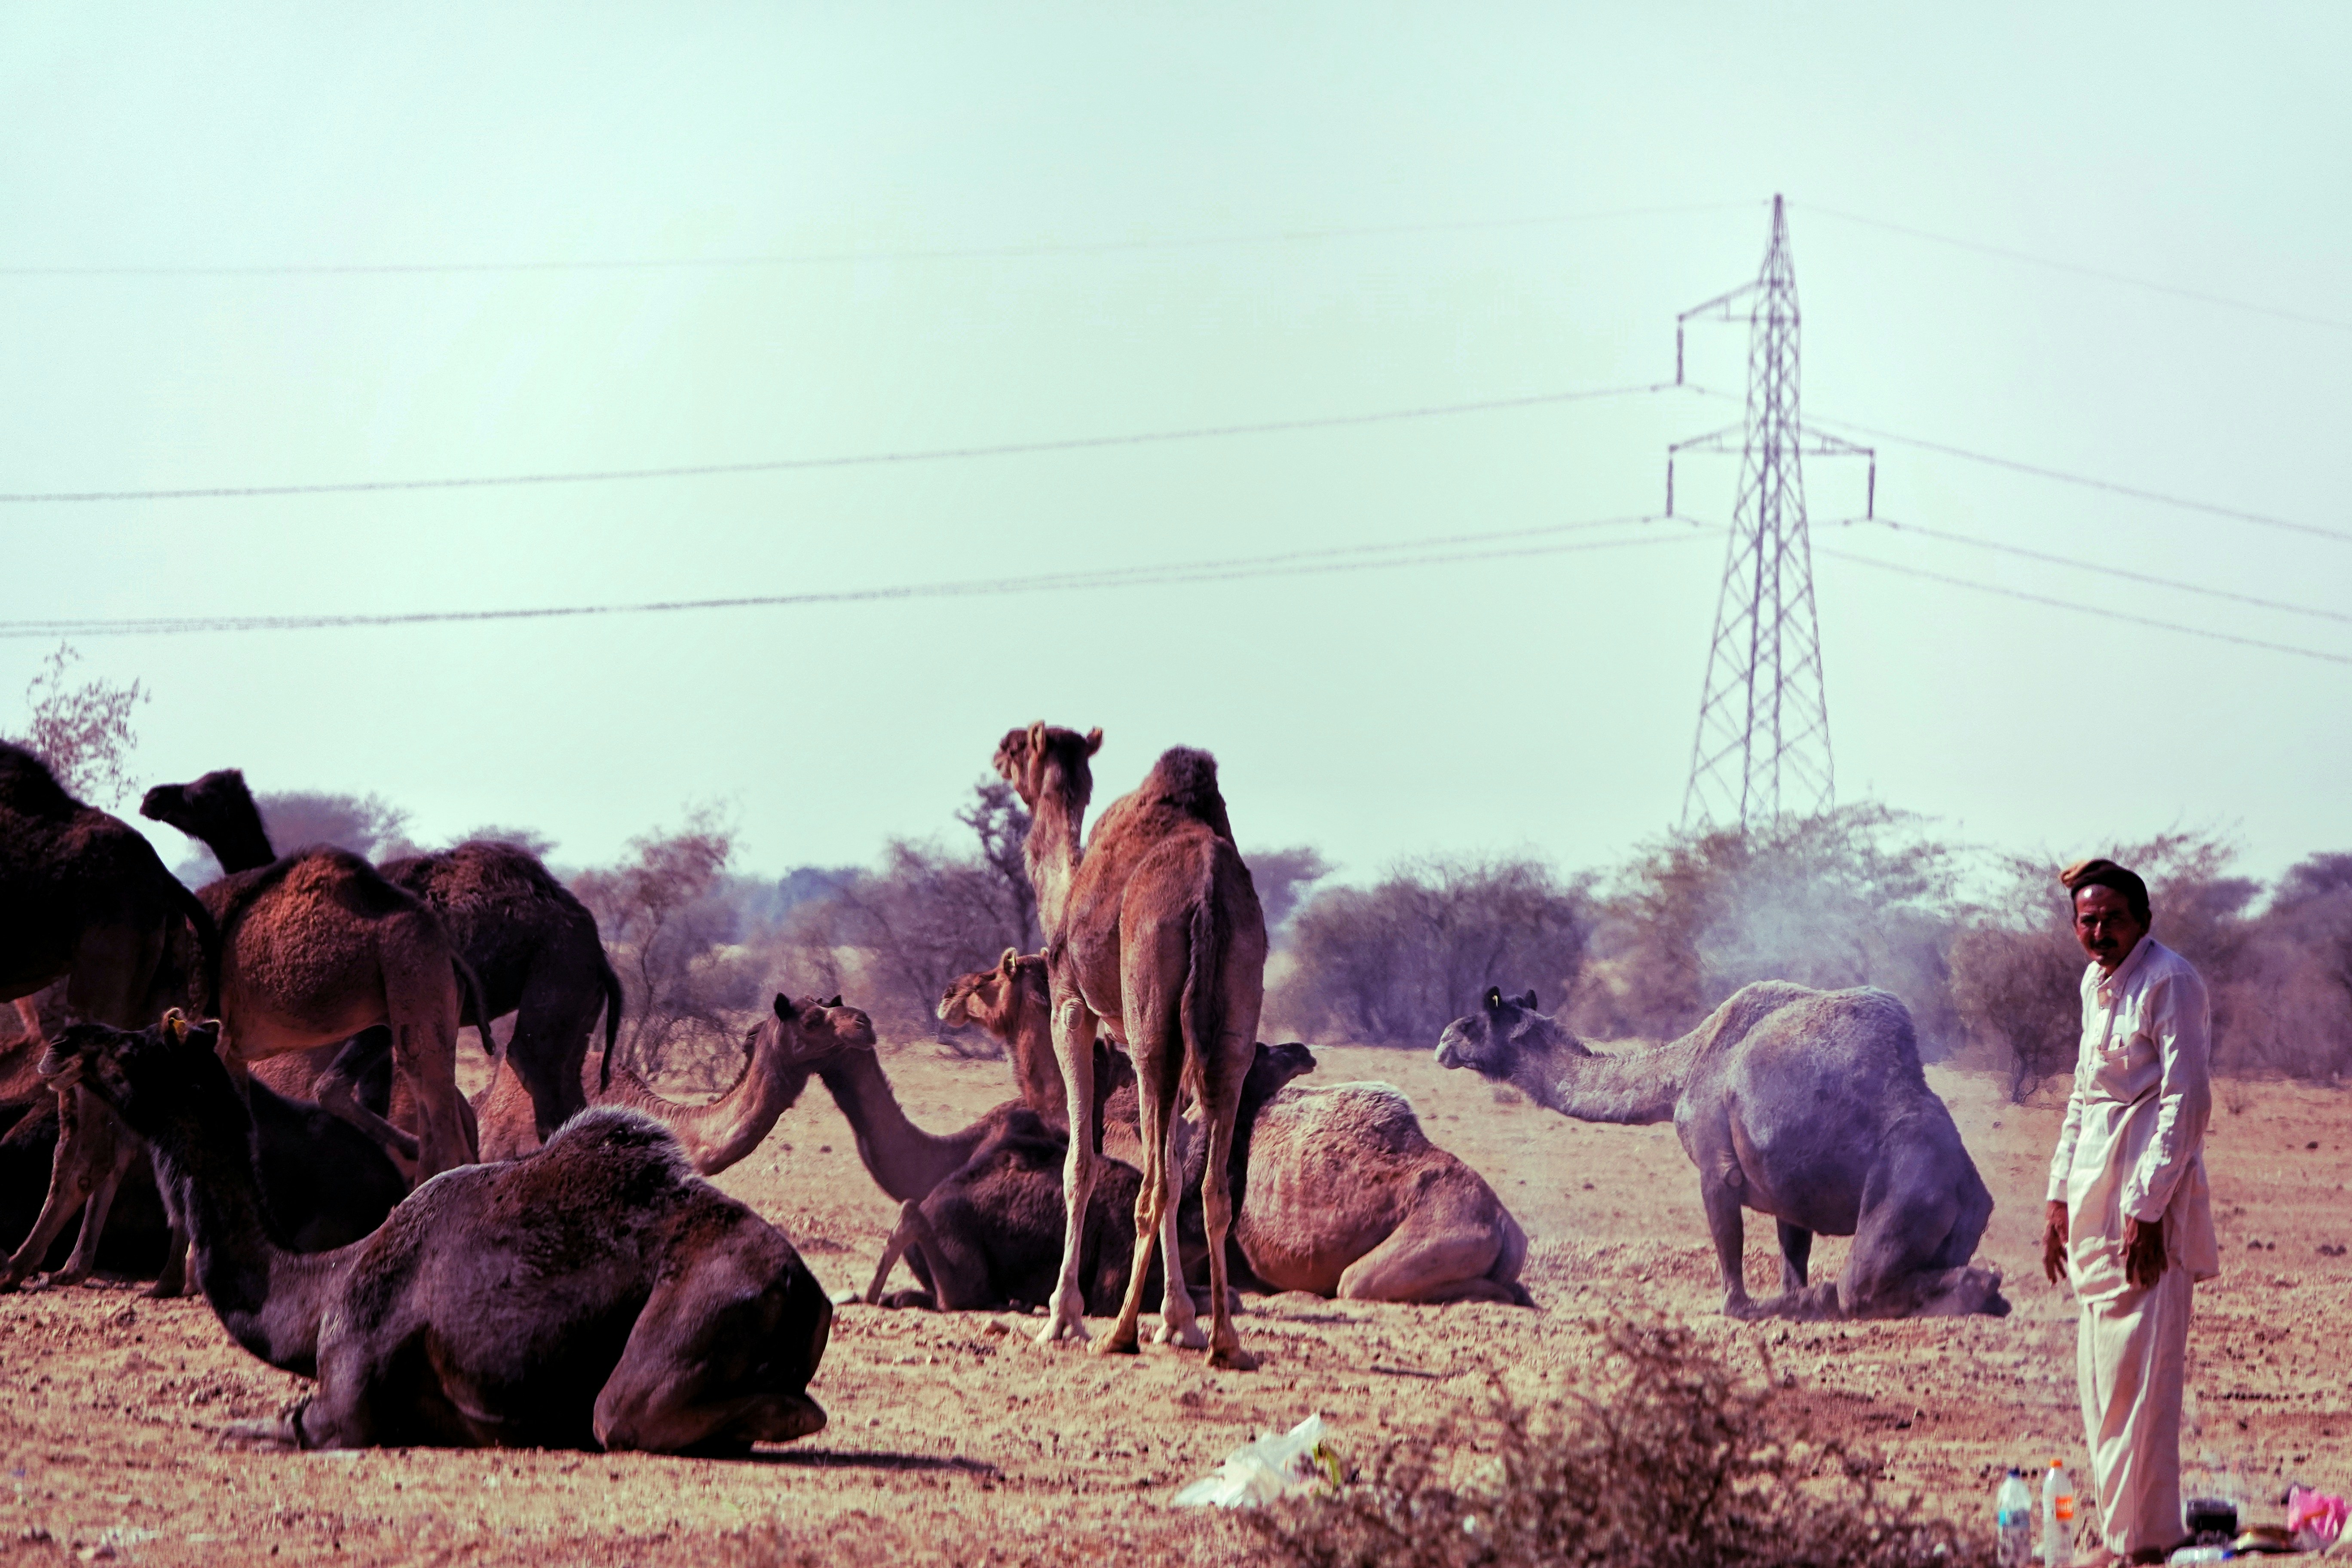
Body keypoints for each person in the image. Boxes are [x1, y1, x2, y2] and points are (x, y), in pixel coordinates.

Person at [2042, 858, 2219, 1565]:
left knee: (2142, 1377)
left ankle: (2143, 1539)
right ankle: (2125, 1534)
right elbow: (2084, 1095)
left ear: (2143, 920)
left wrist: (2147, 1208)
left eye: (2113, 918)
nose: (2100, 931)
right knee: (2102, 1373)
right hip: (2092, 1194)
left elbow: (2187, 1099)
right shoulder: (2096, 983)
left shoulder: (2170, 980)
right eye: (2088, 920)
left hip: (2148, 1194)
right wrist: (2058, 1196)